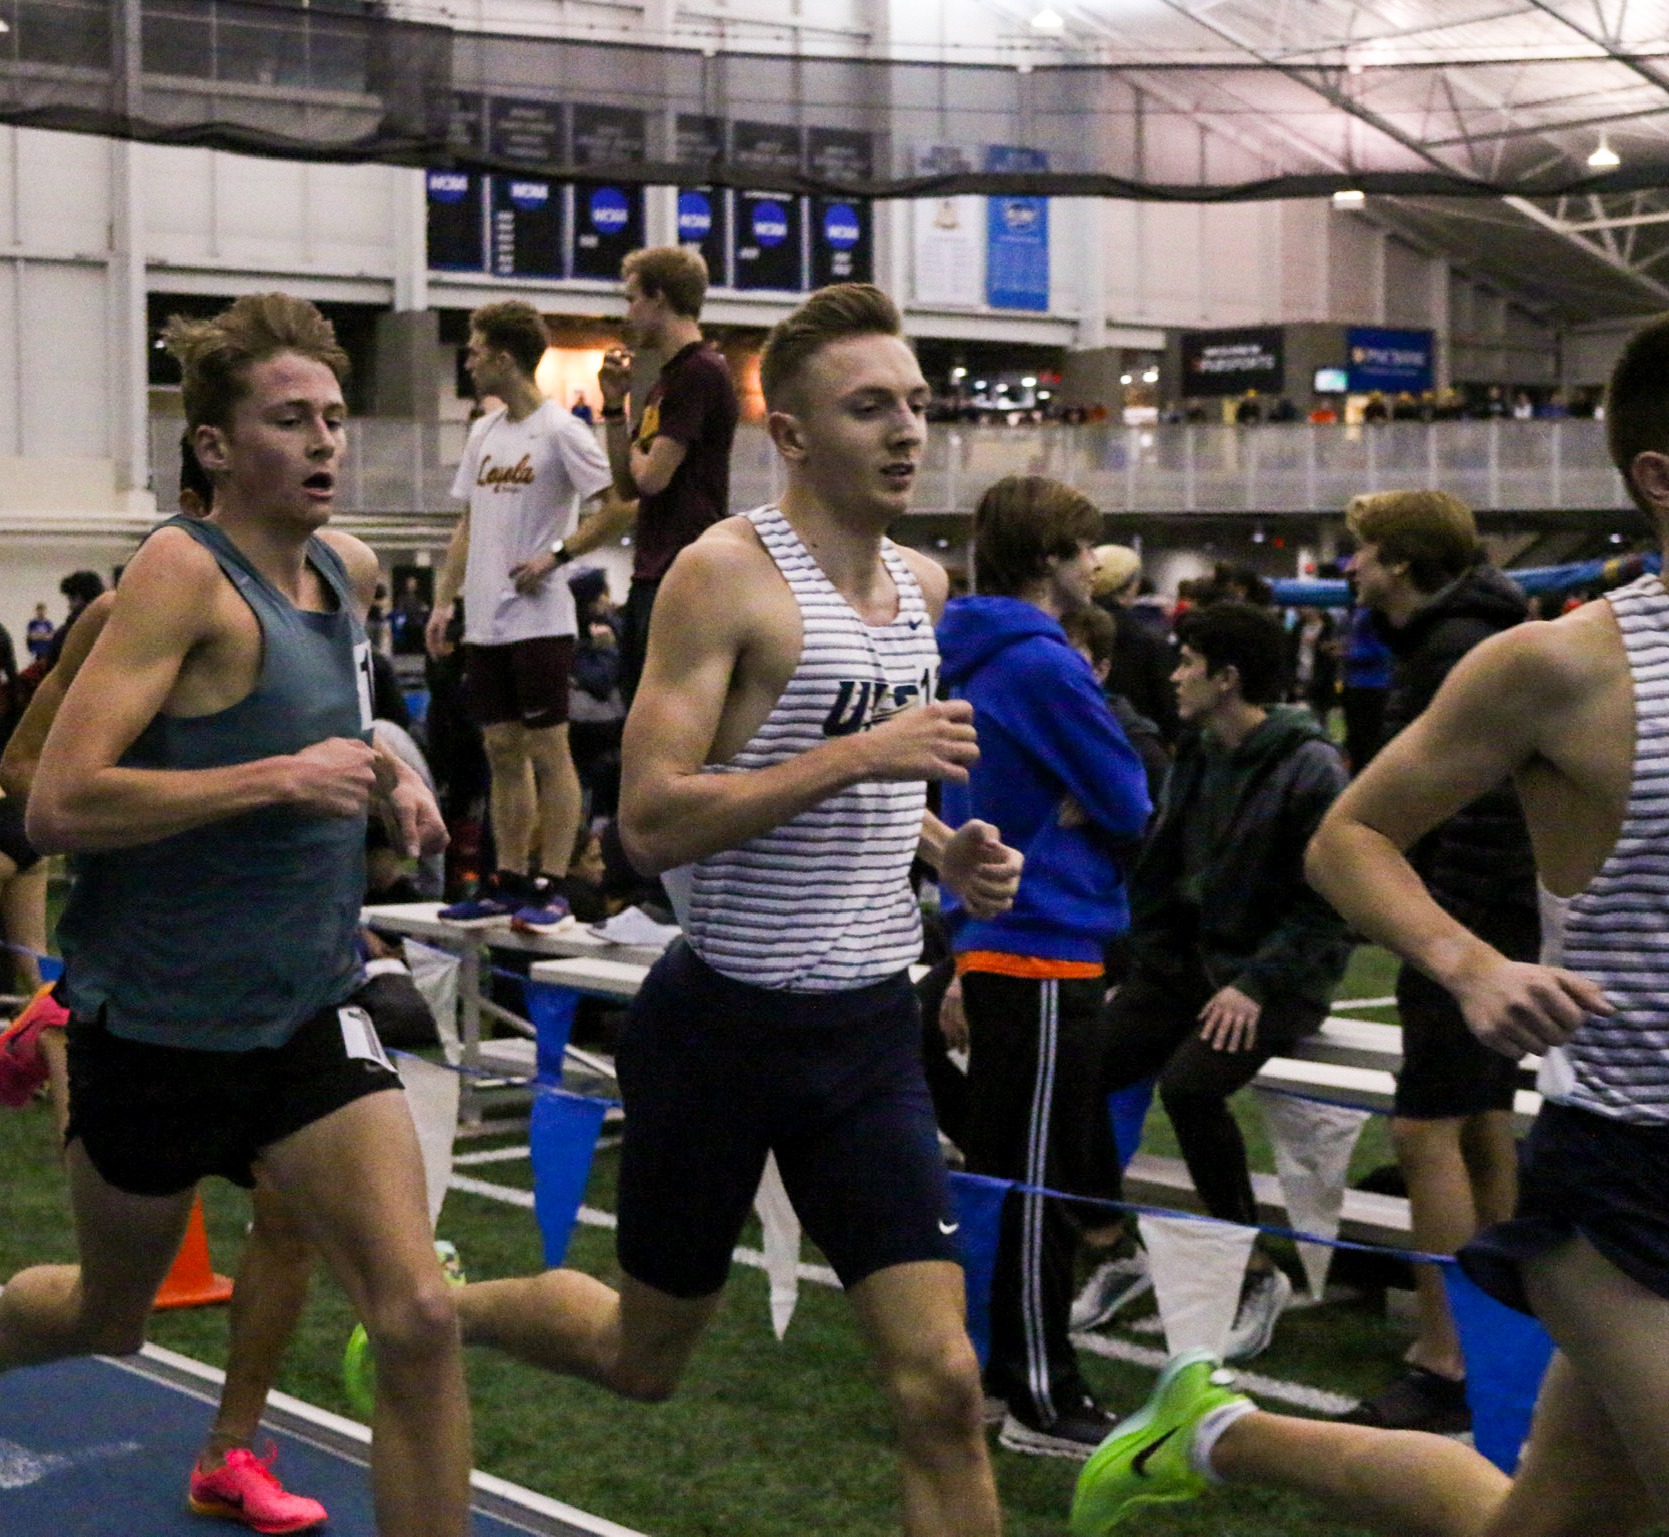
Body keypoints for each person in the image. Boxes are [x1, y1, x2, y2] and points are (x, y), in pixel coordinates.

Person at [1067, 310, 1669, 1537]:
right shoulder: (1561, 667)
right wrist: (1465, 961)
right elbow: (1346, 834)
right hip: (1625, 1183)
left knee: (1535, 1526)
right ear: (1661, 479)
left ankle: (1221, 1432)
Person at [453, 283, 1024, 1537]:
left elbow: (847, 764)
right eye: (870, 406)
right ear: (795, 436)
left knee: (939, 1383)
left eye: (918, 404)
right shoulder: (724, 575)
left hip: (870, 1032)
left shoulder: (924, 585)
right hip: (723, 1029)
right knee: (640, 1358)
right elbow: (649, 824)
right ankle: (442, 1312)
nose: (907, 431)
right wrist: (867, 762)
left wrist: (944, 847)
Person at [0, 292, 468, 1537]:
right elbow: (54, 803)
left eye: (333, 418)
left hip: (307, 1010)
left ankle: (235, 1443)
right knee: (111, 1320)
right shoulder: (174, 575)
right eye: (289, 420)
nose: (326, 444)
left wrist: (392, 761)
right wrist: (280, 778)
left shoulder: (345, 571)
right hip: (152, 1029)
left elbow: (342, 717)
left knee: (416, 1316)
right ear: (215, 446)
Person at [935, 475, 1152, 1459]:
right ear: (1049, 560)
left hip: (1001, 933)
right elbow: (1127, 797)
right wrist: (1093, 787)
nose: (1092, 570)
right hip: (1046, 933)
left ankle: (996, 1370)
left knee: (1007, 1171)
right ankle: (1034, 1385)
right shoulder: (1042, 662)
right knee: (1031, 1182)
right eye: (1080, 551)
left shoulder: (973, 647)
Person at [1081, 603, 1351, 1360]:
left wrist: (1256, 984)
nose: (1172, 675)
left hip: (1277, 977)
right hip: (1192, 965)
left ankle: (1254, 1267)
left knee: (1190, 1087)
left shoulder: (1310, 765)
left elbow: (1328, 903)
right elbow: (1160, 873)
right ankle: (1112, 1244)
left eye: (1187, 662)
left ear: (1226, 678)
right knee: (1082, 1063)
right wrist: (1143, 966)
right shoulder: (1198, 750)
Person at [1340, 489, 1537, 1433]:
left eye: (1364, 552)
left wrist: (1435, 934)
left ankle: (1448, 1356)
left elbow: (1478, 817)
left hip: (1463, 932)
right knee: (1482, 1126)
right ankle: (1500, 1336)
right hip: (1488, 929)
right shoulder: (1469, 637)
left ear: (1403, 566)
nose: (1350, 569)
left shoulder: (1457, 651)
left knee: (1426, 1132)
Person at [424, 300, 634, 926]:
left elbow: (619, 505)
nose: (468, 360)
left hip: (541, 619)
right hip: (487, 619)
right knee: (501, 750)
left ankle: (553, 883)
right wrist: (444, 600)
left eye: (476, 349)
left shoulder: (562, 431)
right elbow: (467, 523)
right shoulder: (484, 433)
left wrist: (557, 556)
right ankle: (508, 877)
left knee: (549, 748)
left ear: (505, 357)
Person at [597, 245, 740, 705]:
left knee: (667, 709)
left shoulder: (700, 372)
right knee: (635, 701)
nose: (628, 312)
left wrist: (641, 455)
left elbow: (652, 478)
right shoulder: (665, 381)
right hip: (654, 567)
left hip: (684, 568)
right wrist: (615, 407)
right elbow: (626, 484)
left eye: (632, 298)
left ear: (658, 297)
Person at [1091, 544, 1179, 745]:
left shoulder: (1067, 629)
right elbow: (1165, 706)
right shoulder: (1148, 639)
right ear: (1131, 586)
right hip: (1139, 743)